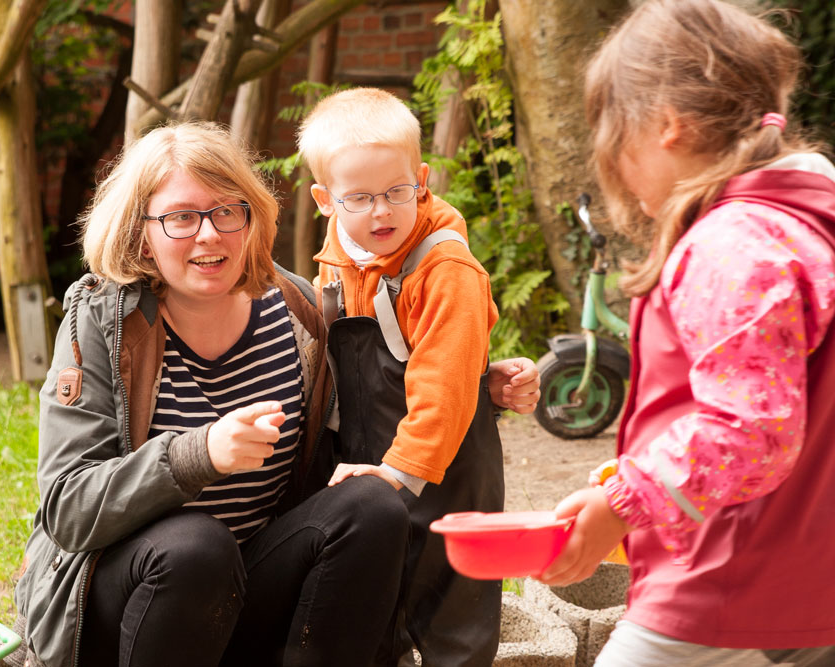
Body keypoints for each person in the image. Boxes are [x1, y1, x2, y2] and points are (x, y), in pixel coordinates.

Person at [12, 121, 417, 667]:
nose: (208, 234)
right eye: (180, 217)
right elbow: (69, 506)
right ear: (140, 234)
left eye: (227, 210)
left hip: (244, 591)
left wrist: (484, 382)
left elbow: (389, 393)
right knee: (196, 546)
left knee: (371, 505)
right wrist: (198, 455)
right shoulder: (104, 322)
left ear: (250, 218)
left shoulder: (296, 310)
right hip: (127, 603)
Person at [538, 1, 835, 665]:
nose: (611, 163)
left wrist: (623, 500)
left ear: (666, 124)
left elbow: (749, 428)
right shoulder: (807, 221)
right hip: (806, 576)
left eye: (614, 137)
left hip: (721, 583)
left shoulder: (732, 242)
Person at [297, 87, 508, 667]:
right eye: (359, 198)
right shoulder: (339, 259)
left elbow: (444, 382)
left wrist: (398, 474)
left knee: (452, 615)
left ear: (422, 177)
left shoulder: (446, 270)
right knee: (375, 611)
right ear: (325, 199)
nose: (382, 212)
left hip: (447, 470)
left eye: (396, 191)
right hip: (370, 463)